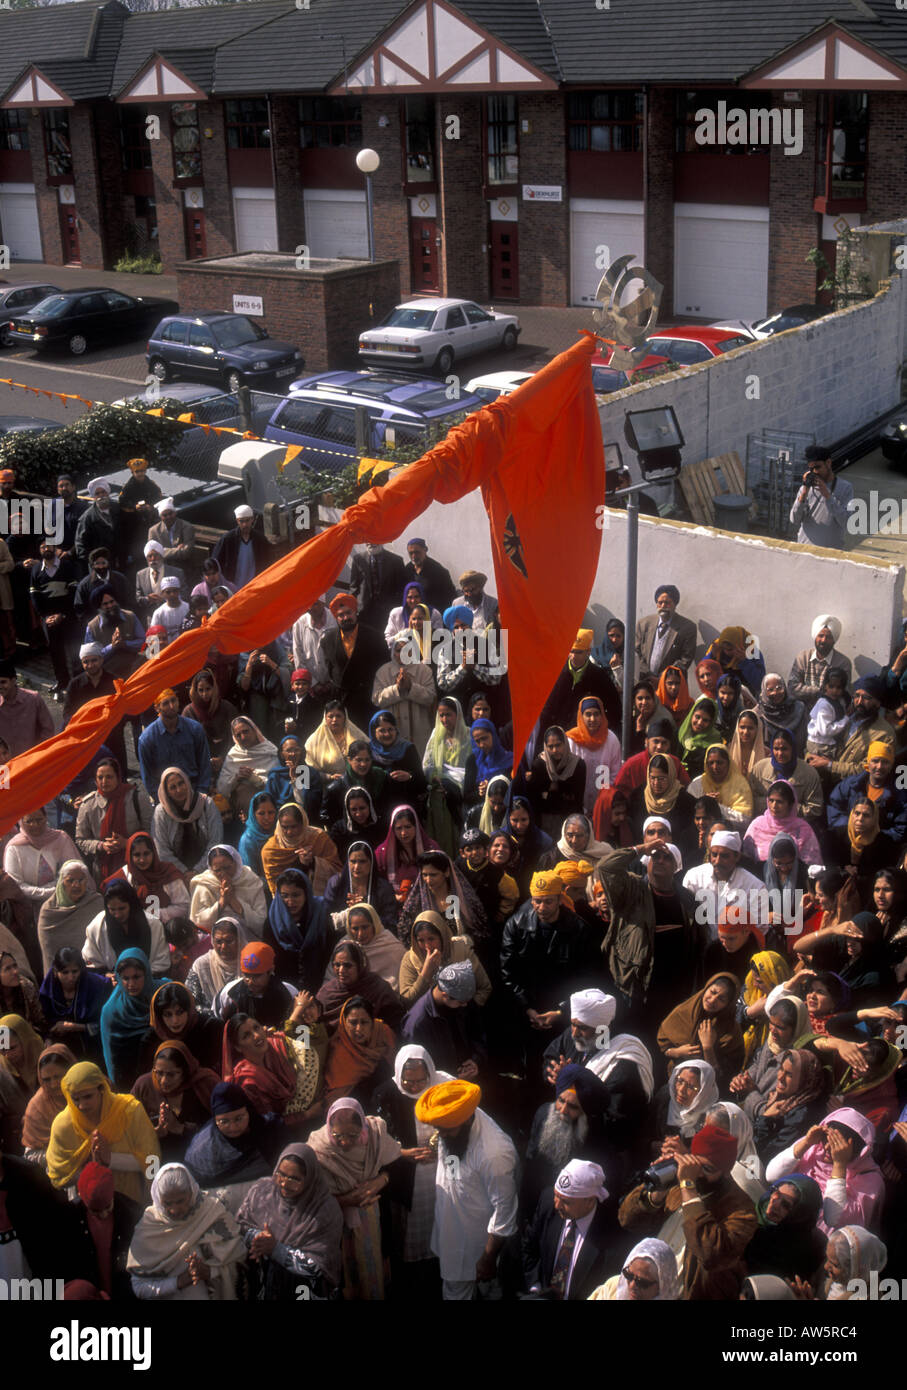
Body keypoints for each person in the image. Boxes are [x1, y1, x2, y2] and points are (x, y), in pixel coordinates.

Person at [619, 1121, 758, 1299]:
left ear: (725, 1172)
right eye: (695, 1164)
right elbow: (627, 1220)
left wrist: (688, 1188)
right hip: (642, 1287)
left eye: (707, 1169)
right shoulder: (678, 1176)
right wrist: (657, 1192)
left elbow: (711, 1255)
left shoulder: (741, 1210)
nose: (698, 1173)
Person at [414, 1079, 518, 1300]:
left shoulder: (494, 1153)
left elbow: (504, 1212)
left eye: (446, 1130)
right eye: (438, 1129)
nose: (440, 1135)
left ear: (468, 1120)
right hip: (450, 1232)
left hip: (478, 1247)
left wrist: (488, 1259)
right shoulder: (453, 1125)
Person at [500, 871, 603, 1075]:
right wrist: (527, 1008)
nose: (542, 908)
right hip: (528, 1010)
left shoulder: (579, 929)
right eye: (537, 902)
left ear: (559, 899)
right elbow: (508, 973)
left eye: (548, 902)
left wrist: (561, 1012)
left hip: (564, 1012)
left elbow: (588, 978)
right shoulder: (516, 925)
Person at [594, 843, 703, 1024]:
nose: (660, 860)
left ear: (677, 866)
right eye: (655, 856)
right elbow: (606, 866)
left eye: (667, 857)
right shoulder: (631, 889)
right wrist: (640, 849)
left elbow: (698, 942)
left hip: (672, 991)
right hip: (634, 989)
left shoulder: (688, 899)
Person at [307, 1097, 402, 1299]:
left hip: (375, 1214)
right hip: (334, 1221)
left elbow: (396, 1164)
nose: (345, 1142)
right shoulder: (318, 1147)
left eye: (353, 1135)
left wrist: (380, 1181)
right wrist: (345, 1200)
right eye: (338, 1135)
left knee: (373, 1268)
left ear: (363, 1128)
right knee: (344, 1276)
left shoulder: (375, 1136)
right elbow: (310, 1196)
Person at [237, 1141, 343, 1300]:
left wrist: (276, 1249)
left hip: (303, 1290)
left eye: (295, 1178)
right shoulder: (261, 1191)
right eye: (281, 1174)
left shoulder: (324, 1209)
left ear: (309, 1178)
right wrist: (258, 1238)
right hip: (262, 1281)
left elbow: (318, 1267)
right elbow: (240, 1226)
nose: (284, 1183)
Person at [127, 1161, 245, 1300]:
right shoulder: (149, 1227)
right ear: (158, 1200)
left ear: (192, 1192)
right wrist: (178, 1282)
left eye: (180, 1201)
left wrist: (210, 1271)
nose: (174, 1210)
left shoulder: (212, 1213)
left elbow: (239, 1258)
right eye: (168, 1203)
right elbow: (139, 1287)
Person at [47, 1060, 160, 1203]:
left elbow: (154, 1161)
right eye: (75, 1099)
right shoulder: (62, 1125)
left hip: (131, 1203)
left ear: (102, 1090)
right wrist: (92, 1168)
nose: (82, 1105)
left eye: (88, 1096)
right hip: (89, 1207)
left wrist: (111, 1159)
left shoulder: (130, 1111)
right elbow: (57, 1178)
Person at [765, 1107, 884, 1235]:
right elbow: (771, 1176)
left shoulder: (869, 1179)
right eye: (826, 1139)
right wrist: (806, 1142)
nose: (827, 1147)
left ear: (857, 1151)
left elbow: (832, 1219)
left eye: (836, 1144)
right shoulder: (814, 1147)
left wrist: (839, 1164)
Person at [523, 1159, 616, 1300]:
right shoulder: (548, 1204)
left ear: (590, 1201)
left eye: (566, 1202)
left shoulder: (610, 1232)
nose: (557, 1205)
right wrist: (536, 1289)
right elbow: (529, 1247)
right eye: (556, 1196)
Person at [222, 1013, 319, 1124]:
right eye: (246, 1035)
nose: (257, 1035)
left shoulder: (274, 1048)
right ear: (238, 1047)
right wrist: (307, 1115)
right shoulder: (247, 1081)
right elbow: (267, 1123)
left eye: (256, 1028)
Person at [132, 1041, 219, 1163]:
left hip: (202, 1157)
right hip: (156, 1161)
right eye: (159, 1073)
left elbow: (223, 1126)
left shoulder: (205, 1084)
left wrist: (179, 1128)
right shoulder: (144, 1087)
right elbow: (130, 1128)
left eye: (171, 1075)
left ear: (185, 1072)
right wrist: (153, 1134)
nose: (163, 1081)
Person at [657, 972, 744, 1088]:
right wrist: (677, 1052)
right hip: (673, 1080)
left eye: (721, 999)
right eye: (712, 992)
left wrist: (708, 1048)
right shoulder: (684, 1011)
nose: (712, 1000)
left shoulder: (732, 1032)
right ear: (706, 988)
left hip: (706, 1090)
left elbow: (724, 1077)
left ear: (728, 1004)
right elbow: (663, 1046)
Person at [75, 759, 154, 884]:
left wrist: (128, 843)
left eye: (109, 777)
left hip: (138, 864)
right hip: (103, 869)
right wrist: (101, 846)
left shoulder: (136, 798)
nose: (104, 782)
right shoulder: (88, 804)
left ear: (118, 777)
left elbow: (151, 831)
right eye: (100, 778)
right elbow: (81, 839)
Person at [100, 947, 169, 1091]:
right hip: (131, 1081)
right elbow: (111, 1060)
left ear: (146, 974)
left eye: (137, 977)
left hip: (168, 1073)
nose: (131, 984)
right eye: (125, 978)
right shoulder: (112, 1011)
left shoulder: (164, 995)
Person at [397, 910, 491, 1008]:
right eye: (421, 940)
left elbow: (484, 987)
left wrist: (466, 1009)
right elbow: (407, 1001)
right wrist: (426, 973)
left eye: (431, 939)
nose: (427, 946)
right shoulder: (411, 959)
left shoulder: (461, 950)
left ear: (442, 937)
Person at [743, 1174, 825, 1284]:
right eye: (776, 1193)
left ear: (800, 1215)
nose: (774, 1204)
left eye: (785, 1205)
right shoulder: (748, 1214)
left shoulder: (805, 1248)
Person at [3, 806, 81, 915]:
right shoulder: (14, 847)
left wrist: (57, 890)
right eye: (29, 821)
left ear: (46, 818)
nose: (34, 825)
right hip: (27, 909)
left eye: (39, 820)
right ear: (21, 822)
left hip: (63, 902)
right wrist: (48, 892)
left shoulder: (60, 838)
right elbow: (15, 884)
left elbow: (72, 870)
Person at [82, 879, 169, 978]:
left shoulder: (153, 925)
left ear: (131, 905)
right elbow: (90, 962)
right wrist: (106, 975)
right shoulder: (97, 927)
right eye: (112, 909)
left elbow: (162, 961)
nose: (117, 915)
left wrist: (142, 978)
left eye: (122, 908)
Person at [828, 741, 907, 848]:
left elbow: (901, 830)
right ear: (868, 762)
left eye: (885, 762)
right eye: (875, 761)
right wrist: (850, 828)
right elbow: (833, 808)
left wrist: (874, 836)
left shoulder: (899, 796)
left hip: (878, 850)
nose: (879, 766)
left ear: (891, 766)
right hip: (845, 843)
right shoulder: (850, 785)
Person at [322, 995, 395, 1106]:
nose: (359, 1029)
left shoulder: (383, 1033)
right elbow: (334, 1101)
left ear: (372, 1022)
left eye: (364, 1022)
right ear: (343, 1022)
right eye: (353, 1022)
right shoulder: (337, 1053)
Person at [38, 948, 111, 1059]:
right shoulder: (48, 992)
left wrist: (75, 1027)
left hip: (96, 1048)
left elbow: (107, 1024)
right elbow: (43, 1024)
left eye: (75, 971)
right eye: (65, 972)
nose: (71, 977)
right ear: (55, 972)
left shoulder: (98, 987)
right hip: (63, 1049)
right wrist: (49, 1039)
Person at [317, 940, 404, 1033]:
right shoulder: (327, 992)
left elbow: (394, 1024)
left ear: (360, 966)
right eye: (337, 965)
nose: (341, 970)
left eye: (347, 965)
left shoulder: (378, 988)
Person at [138, 691, 212, 799]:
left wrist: (201, 793)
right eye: (166, 703)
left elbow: (204, 763)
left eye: (173, 701)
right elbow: (147, 776)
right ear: (157, 708)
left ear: (178, 701)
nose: (171, 706)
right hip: (166, 794)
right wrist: (162, 800)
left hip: (195, 789)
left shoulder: (195, 729)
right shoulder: (147, 739)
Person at [152, 767, 223, 877]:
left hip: (209, 868)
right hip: (174, 872)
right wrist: (183, 872)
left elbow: (215, 841)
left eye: (181, 783)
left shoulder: (206, 804)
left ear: (187, 782)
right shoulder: (161, 812)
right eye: (172, 787)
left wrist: (197, 871)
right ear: (167, 792)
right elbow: (162, 851)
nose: (179, 790)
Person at [143, 980, 224, 1077]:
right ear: (160, 1017)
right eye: (168, 1015)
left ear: (189, 1010)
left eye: (180, 1012)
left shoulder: (208, 1028)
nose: (175, 1020)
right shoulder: (151, 1039)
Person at [110, 832, 190, 928]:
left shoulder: (168, 873)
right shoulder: (124, 877)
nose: (142, 860)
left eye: (146, 853)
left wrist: (155, 915)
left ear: (154, 853)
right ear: (130, 856)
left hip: (166, 930)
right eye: (137, 855)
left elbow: (184, 907)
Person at [326, 840, 407, 937]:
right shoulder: (336, 883)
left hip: (377, 939)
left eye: (362, 861)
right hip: (342, 939)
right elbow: (326, 919)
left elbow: (391, 923)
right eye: (353, 861)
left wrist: (364, 911)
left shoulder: (383, 887)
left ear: (371, 862)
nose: (357, 867)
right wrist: (348, 913)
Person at [261, 803, 340, 899]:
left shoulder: (318, 838)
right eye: (285, 827)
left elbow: (336, 869)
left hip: (318, 899)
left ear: (303, 824)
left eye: (294, 827)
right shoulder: (270, 850)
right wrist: (300, 864)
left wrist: (313, 862)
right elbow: (275, 885)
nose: (289, 832)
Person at [36, 861, 103, 974]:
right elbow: (49, 951)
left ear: (87, 881)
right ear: (62, 882)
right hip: (60, 975)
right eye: (70, 881)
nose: (76, 885)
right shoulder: (48, 911)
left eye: (81, 880)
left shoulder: (96, 903)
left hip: (92, 972)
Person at [189, 844, 267, 938]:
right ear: (211, 869)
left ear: (236, 862)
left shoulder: (250, 880)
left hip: (248, 938)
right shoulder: (204, 884)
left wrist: (235, 902)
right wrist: (222, 902)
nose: (223, 873)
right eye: (217, 870)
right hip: (214, 940)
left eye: (227, 868)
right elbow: (197, 922)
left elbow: (261, 920)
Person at [522, 725, 586, 839]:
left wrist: (550, 791)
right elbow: (535, 800)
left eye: (558, 745)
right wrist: (562, 792)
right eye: (550, 747)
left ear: (565, 743)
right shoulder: (540, 765)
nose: (554, 750)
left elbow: (577, 800)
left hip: (569, 820)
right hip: (544, 821)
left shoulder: (578, 765)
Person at [215, 941, 298, 1027]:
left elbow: (302, 1028)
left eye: (257, 976)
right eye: (246, 975)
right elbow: (218, 1024)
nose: (250, 981)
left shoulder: (289, 992)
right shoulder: (229, 993)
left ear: (270, 970)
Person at [20, 1041, 77, 1165]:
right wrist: (68, 1154)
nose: (53, 1084)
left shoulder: (92, 1086)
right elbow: (30, 1155)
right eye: (47, 1079)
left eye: (58, 1077)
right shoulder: (37, 1107)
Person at [749, 727, 824, 820]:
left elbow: (815, 809)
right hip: (764, 823)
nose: (780, 753)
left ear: (793, 749)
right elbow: (750, 800)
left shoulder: (809, 773)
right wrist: (770, 805)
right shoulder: (759, 769)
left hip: (796, 826)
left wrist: (788, 807)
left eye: (784, 749)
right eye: (776, 749)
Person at [789, 444, 855, 549]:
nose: (814, 472)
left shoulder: (845, 488)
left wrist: (827, 496)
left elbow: (847, 523)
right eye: (811, 468)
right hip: (805, 549)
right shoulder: (805, 488)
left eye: (817, 467)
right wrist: (804, 492)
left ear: (828, 463)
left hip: (831, 553)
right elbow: (794, 520)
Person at [743, 780, 822, 866]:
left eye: (780, 802)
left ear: (790, 804)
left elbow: (812, 865)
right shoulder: (757, 825)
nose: (774, 806)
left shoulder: (802, 829)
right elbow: (746, 859)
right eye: (771, 800)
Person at [588, 1235, 681, 1300]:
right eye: (629, 1275)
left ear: (661, 1286)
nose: (632, 1286)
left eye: (642, 1282)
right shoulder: (611, 1289)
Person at [0, 1013, 43, 1153]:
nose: (8, 1055)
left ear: (25, 1041)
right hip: (18, 1142)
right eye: (2, 1050)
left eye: (13, 1048)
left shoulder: (46, 1060)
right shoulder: (2, 1072)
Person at [789, 614, 852, 709]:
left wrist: (806, 690)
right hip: (802, 712)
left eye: (829, 637)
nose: (823, 640)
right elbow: (792, 688)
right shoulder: (802, 657)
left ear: (834, 639)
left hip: (830, 711)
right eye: (821, 635)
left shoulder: (843, 663)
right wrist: (821, 691)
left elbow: (842, 692)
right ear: (815, 637)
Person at [635, 584, 698, 678]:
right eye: (660, 602)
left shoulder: (688, 627)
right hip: (645, 681)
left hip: (671, 684)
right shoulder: (643, 624)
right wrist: (649, 676)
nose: (663, 606)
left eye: (667, 602)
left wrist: (663, 678)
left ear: (675, 604)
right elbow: (636, 653)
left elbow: (685, 659)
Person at [687, 744, 753, 830]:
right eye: (711, 763)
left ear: (728, 763)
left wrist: (715, 806)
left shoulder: (740, 784)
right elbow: (687, 812)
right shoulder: (698, 783)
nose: (715, 767)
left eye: (720, 763)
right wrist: (703, 801)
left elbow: (744, 821)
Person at [703, 627, 766, 700]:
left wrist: (744, 661)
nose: (726, 652)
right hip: (722, 696)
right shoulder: (718, 651)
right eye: (724, 649)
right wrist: (711, 656)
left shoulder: (752, 652)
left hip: (746, 697)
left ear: (739, 644)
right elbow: (702, 672)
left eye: (730, 649)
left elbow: (759, 684)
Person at [403, 537, 456, 612]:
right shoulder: (407, 570)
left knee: (426, 624)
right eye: (411, 553)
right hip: (412, 615)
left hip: (429, 615)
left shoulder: (439, 571)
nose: (414, 556)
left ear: (425, 550)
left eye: (417, 552)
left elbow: (449, 597)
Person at [728, 709, 767, 779]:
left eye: (750, 728)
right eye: (742, 727)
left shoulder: (766, 753)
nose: (746, 732)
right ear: (737, 728)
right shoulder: (728, 749)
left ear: (758, 729)